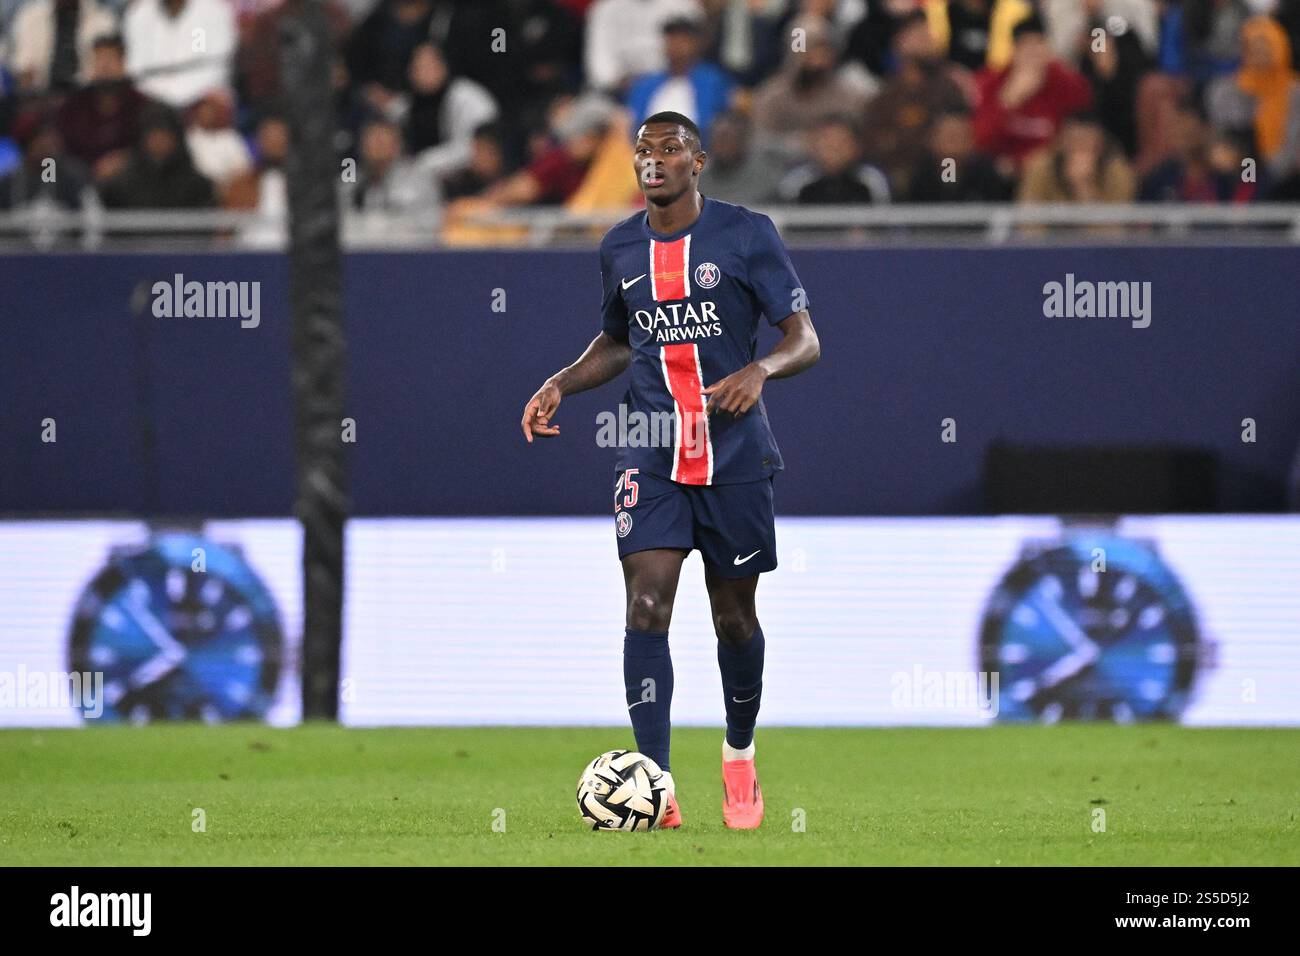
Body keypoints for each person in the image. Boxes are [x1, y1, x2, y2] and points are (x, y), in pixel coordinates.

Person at [519, 110, 821, 830]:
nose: (653, 160)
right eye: (643, 151)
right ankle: (655, 785)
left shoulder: (747, 233)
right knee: (646, 607)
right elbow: (620, 341)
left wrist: (761, 368)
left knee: (734, 619)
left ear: (699, 161)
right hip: (650, 447)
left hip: (735, 457)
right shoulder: (620, 246)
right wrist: (561, 381)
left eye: (670, 149)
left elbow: (805, 338)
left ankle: (739, 755)